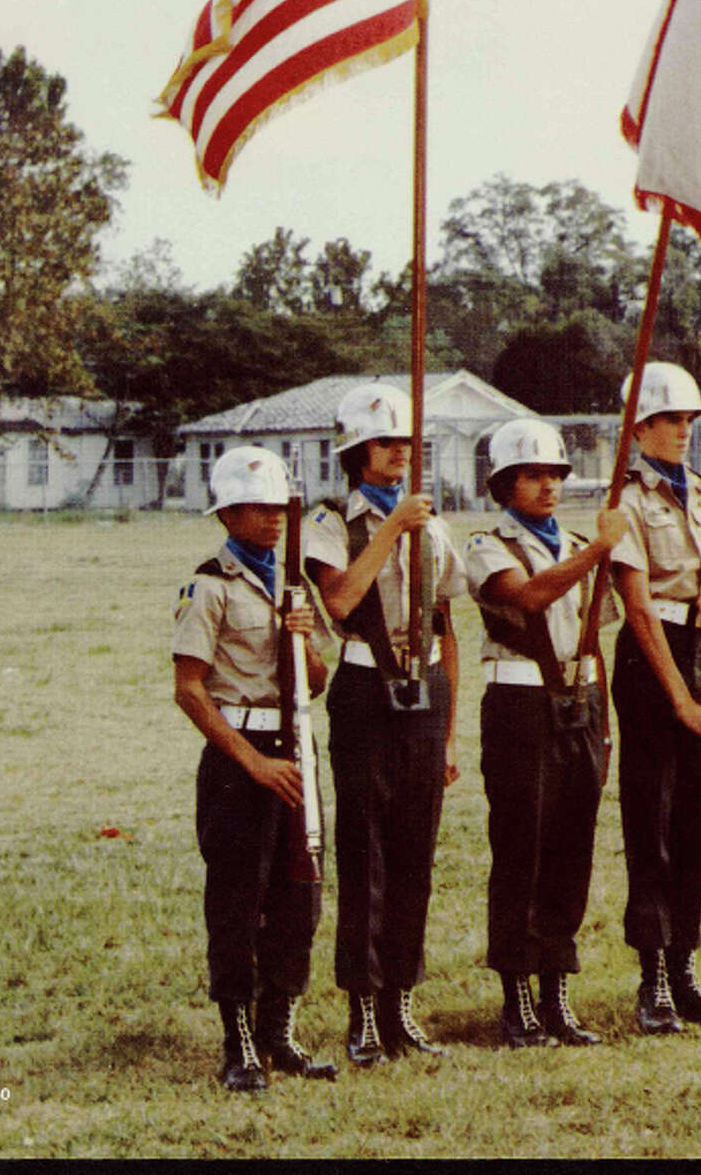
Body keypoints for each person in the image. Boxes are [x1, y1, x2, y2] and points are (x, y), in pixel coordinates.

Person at [302, 381, 463, 1067]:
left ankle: (401, 1002)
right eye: (386, 442)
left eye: (406, 442)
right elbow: (338, 600)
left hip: (422, 690)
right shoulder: (333, 521)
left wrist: (449, 730)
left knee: (414, 857)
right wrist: (394, 528)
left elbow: (447, 626)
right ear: (357, 452)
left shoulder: (432, 522)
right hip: (367, 687)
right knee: (365, 853)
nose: (400, 453)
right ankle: (362, 1009)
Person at [171, 445, 337, 1091]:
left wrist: (305, 635)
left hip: (296, 750)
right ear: (227, 515)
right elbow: (190, 689)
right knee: (238, 901)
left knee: (300, 895)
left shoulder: (292, 585)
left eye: (278, 508)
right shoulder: (209, 584)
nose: (272, 520)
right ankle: (238, 1040)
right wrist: (253, 764)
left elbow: (317, 680)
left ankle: (279, 1031)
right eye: (256, 509)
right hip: (240, 760)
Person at [465, 418, 627, 1049]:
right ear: (505, 486)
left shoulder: (582, 542)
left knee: (570, 850)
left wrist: (603, 726)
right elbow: (528, 598)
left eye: (555, 475)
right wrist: (595, 553)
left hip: (577, 703)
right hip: (520, 702)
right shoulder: (488, 543)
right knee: (520, 850)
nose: (547, 487)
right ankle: (516, 997)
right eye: (531, 476)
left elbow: (593, 644)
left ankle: (558, 989)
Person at [608, 361, 701, 1035]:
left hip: (700, 654)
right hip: (651, 661)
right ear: (639, 428)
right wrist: (682, 702)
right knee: (653, 824)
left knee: (693, 823)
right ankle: (653, 978)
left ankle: (687, 971)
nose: (682, 430)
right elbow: (637, 609)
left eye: (689, 420)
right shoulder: (627, 500)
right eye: (669, 419)